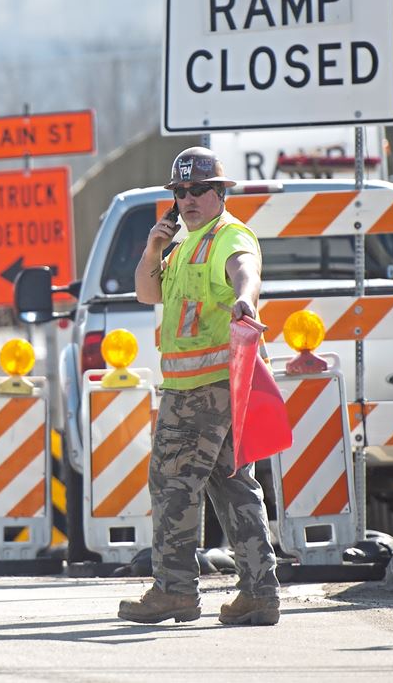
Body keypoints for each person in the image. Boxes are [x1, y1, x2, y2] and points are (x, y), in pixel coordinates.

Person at [117, 147, 280, 627]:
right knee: (232, 485)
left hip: (201, 390)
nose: (188, 199)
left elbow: (245, 270)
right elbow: (147, 293)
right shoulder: (184, 244)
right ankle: (259, 592)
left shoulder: (228, 235)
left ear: (220, 193)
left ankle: (175, 590)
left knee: (172, 483)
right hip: (212, 387)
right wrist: (153, 249)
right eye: (180, 191)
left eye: (199, 190)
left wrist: (246, 301)